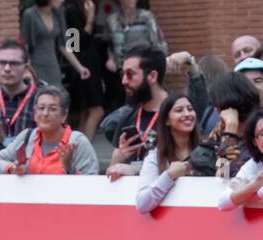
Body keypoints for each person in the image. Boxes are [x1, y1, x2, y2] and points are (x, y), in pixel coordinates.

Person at [102, 48, 209, 176]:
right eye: (123, 74)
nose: (124, 81)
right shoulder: (127, 115)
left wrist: (189, 61)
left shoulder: (180, 112)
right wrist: (118, 158)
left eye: (130, 74)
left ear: (152, 76)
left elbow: (184, 164)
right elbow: (113, 169)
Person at [0, 85, 99, 175]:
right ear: (35, 112)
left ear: (64, 115)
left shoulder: (77, 142)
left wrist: (67, 168)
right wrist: (12, 168)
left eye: (52, 109)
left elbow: (91, 184)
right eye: (41, 108)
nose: (45, 114)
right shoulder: (27, 137)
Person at [135, 93, 206, 212]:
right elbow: (142, 205)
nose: (187, 114)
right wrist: (169, 176)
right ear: (167, 120)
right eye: (179, 110)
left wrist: (227, 140)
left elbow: (225, 177)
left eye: (190, 109)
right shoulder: (155, 157)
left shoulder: (208, 150)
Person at [199, 73, 262, 177]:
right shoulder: (219, 130)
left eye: (216, 105)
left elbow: (225, 175)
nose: (215, 110)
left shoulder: (262, 132)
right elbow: (199, 163)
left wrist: (230, 132)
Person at [21, 0, 90, 88]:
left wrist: (79, 67)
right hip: (35, 67)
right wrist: (28, 70)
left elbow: (63, 45)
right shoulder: (30, 14)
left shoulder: (58, 14)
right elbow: (24, 45)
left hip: (53, 66)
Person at [63, 0, 105, 140]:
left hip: (91, 66)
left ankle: (77, 151)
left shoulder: (84, 8)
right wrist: (90, 18)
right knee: (97, 110)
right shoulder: (70, 11)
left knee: (85, 113)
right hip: (81, 67)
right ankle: (85, 151)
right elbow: (74, 45)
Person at [106, 0, 167, 67]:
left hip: (145, 66)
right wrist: (111, 59)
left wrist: (162, 62)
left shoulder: (147, 17)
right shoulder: (112, 20)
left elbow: (159, 42)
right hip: (123, 69)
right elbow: (110, 45)